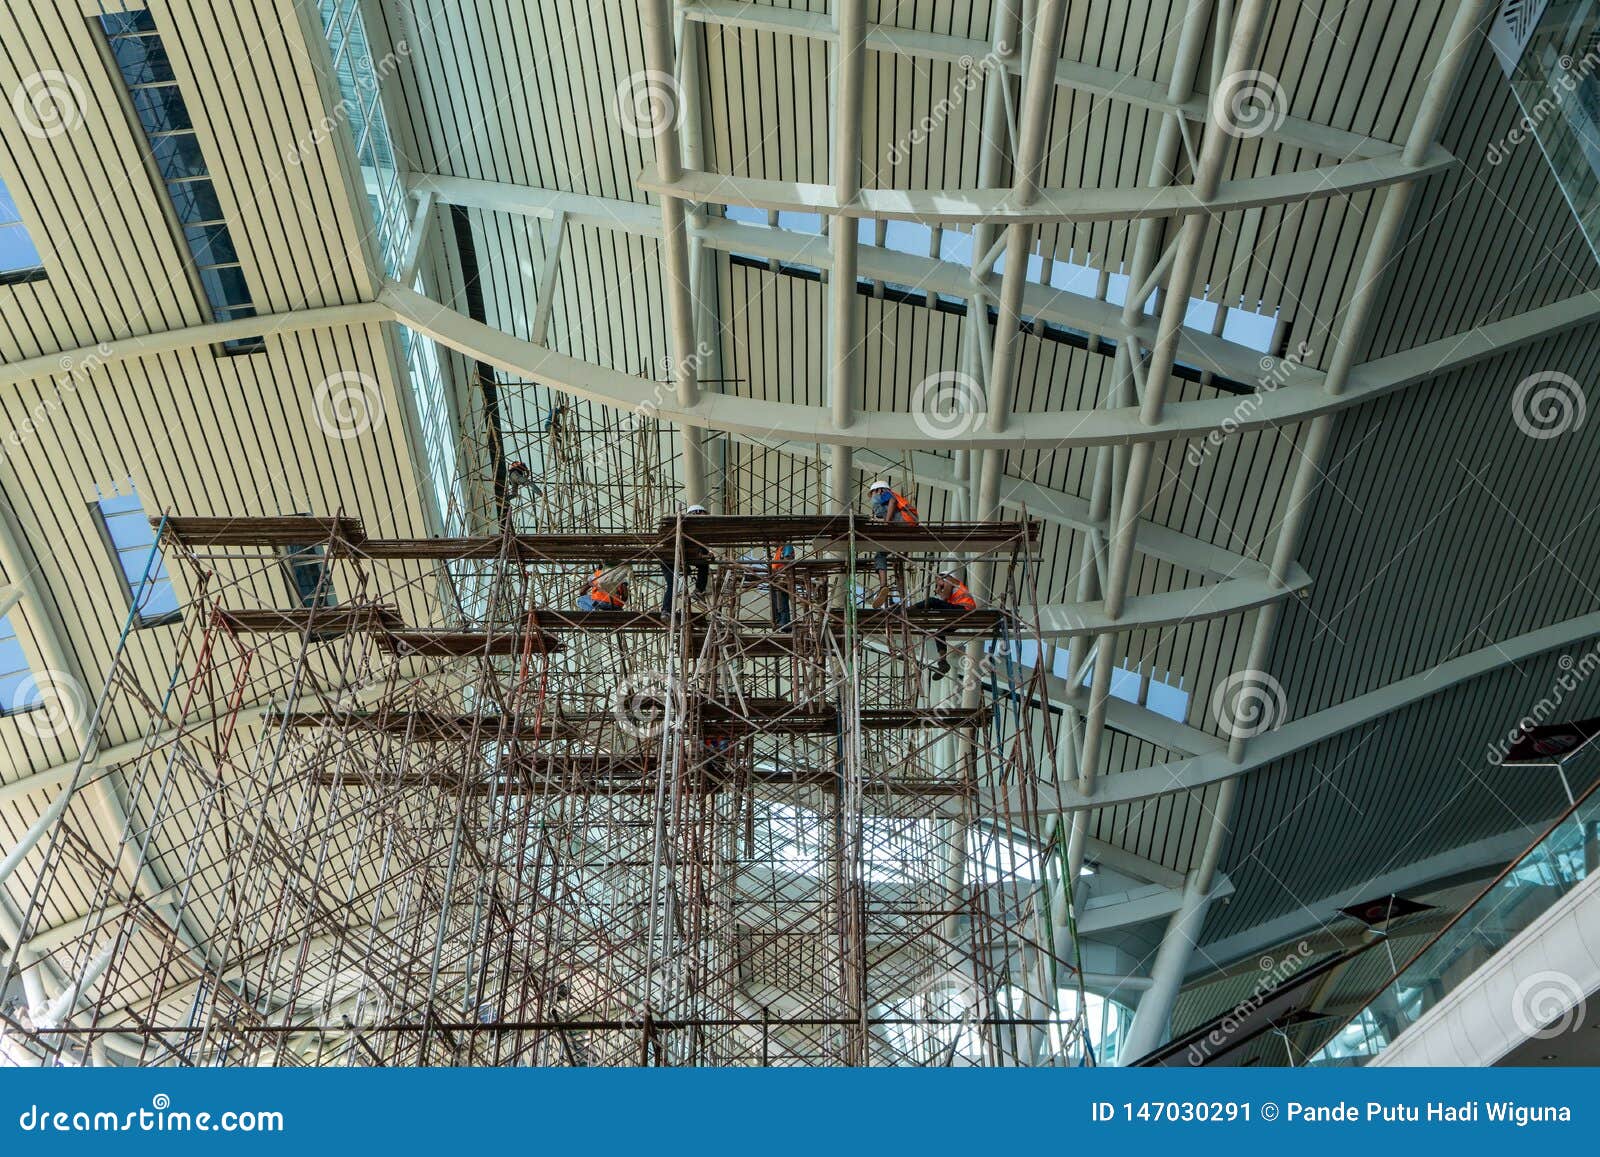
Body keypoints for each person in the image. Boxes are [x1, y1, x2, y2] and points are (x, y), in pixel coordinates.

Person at [908, 569, 977, 677]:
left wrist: (940, 588)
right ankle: (942, 662)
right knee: (939, 633)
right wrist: (940, 589)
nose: (938, 586)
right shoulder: (952, 589)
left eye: (938, 582)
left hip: (965, 610)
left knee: (931, 601)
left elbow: (943, 598)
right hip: (960, 614)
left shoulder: (951, 580)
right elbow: (945, 602)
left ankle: (907, 610)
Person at [867, 480, 918, 607]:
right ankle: (883, 586)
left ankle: (883, 585)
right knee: (880, 555)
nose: (873, 496)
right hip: (904, 530)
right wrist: (903, 555)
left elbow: (893, 502)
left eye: (873, 493)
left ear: (879, 490)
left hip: (904, 521)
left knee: (879, 508)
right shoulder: (888, 500)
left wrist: (886, 523)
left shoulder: (887, 493)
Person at [661, 503, 711, 613]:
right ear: (696, 514)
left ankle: (698, 590)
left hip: (683, 558)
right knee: (672, 584)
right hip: (669, 559)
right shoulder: (681, 526)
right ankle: (666, 610)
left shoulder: (695, 533)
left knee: (703, 565)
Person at [769, 541, 795, 629]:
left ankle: (784, 624)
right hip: (776, 578)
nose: (771, 543)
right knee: (776, 603)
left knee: (782, 602)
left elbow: (788, 561)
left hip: (783, 578)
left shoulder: (786, 546)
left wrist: (779, 571)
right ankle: (780, 622)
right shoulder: (779, 549)